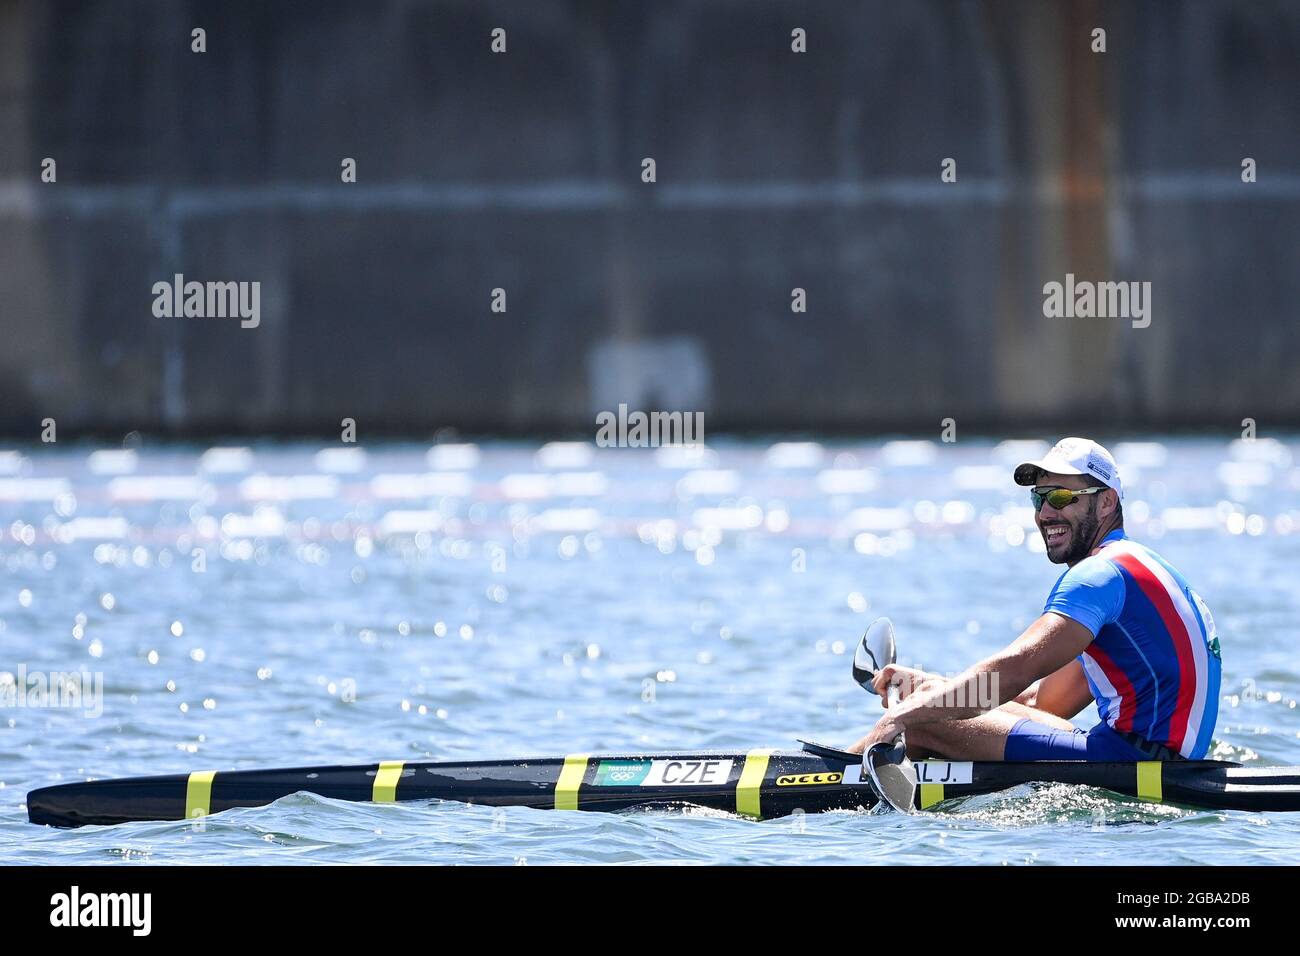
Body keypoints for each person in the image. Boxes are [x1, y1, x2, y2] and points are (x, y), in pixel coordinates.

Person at [850, 437, 1221, 761]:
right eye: (1039, 498)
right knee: (935, 704)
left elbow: (1015, 670)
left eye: (1061, 497)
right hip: (1158, 757)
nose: (1045, 513)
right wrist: (928, 687)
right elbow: (1042, 703)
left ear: (1107, 502)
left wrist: (906, 714)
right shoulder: (1136, 568)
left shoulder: (1095, 578)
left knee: (925, 726)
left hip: (1131, 761)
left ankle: (821, 779)